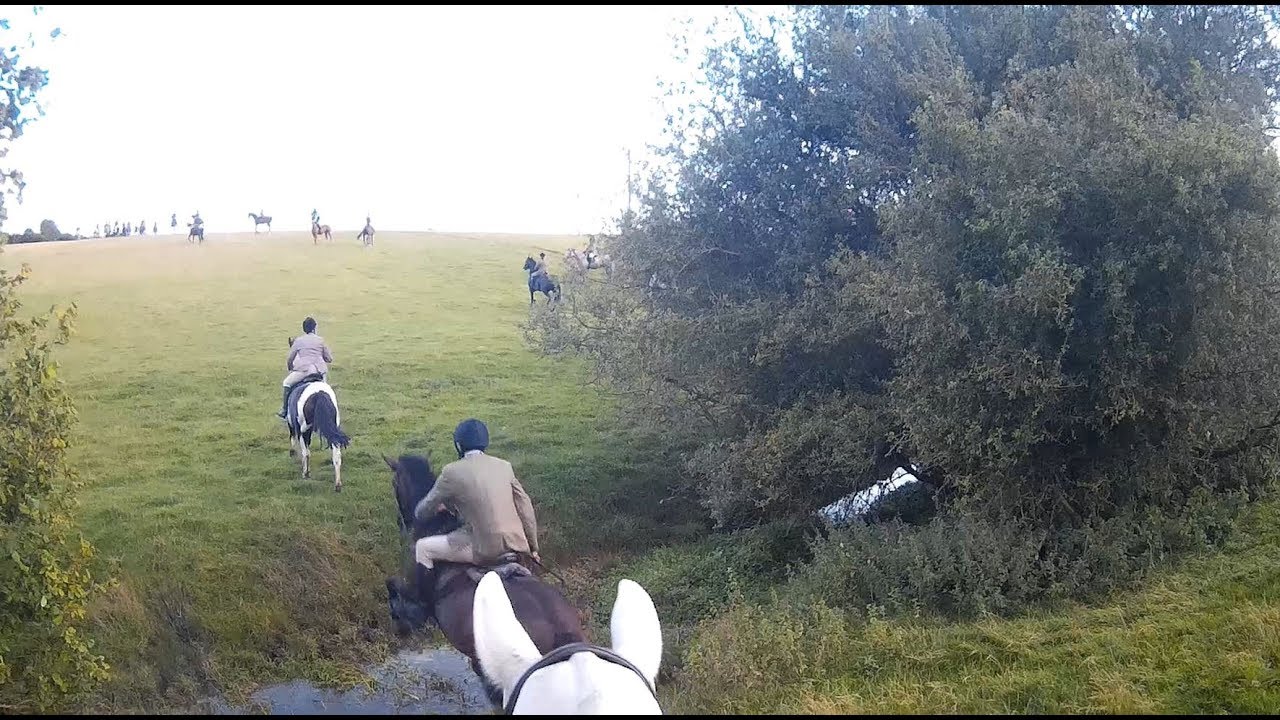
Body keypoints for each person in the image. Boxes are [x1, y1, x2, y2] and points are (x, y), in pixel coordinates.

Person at [411, 418, 542, 620]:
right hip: (516, 545)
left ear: (458, 445)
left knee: (423, 548)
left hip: (483, 548)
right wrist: (533, 547)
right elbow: (525, 507)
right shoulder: (504, 466)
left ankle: (425, 609)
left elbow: (422, 511)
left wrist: (433, 508)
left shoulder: (451, 472)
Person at [277, 316, 334, 419]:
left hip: (303, 370)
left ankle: (284, 410)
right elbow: (329, 358)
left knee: (286, 383)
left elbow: (290, 358)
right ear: (314, 328)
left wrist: (291, 368)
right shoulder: (321, 340)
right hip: (319, 371)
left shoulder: (299, 341)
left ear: (304, 329)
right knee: (326, 389)